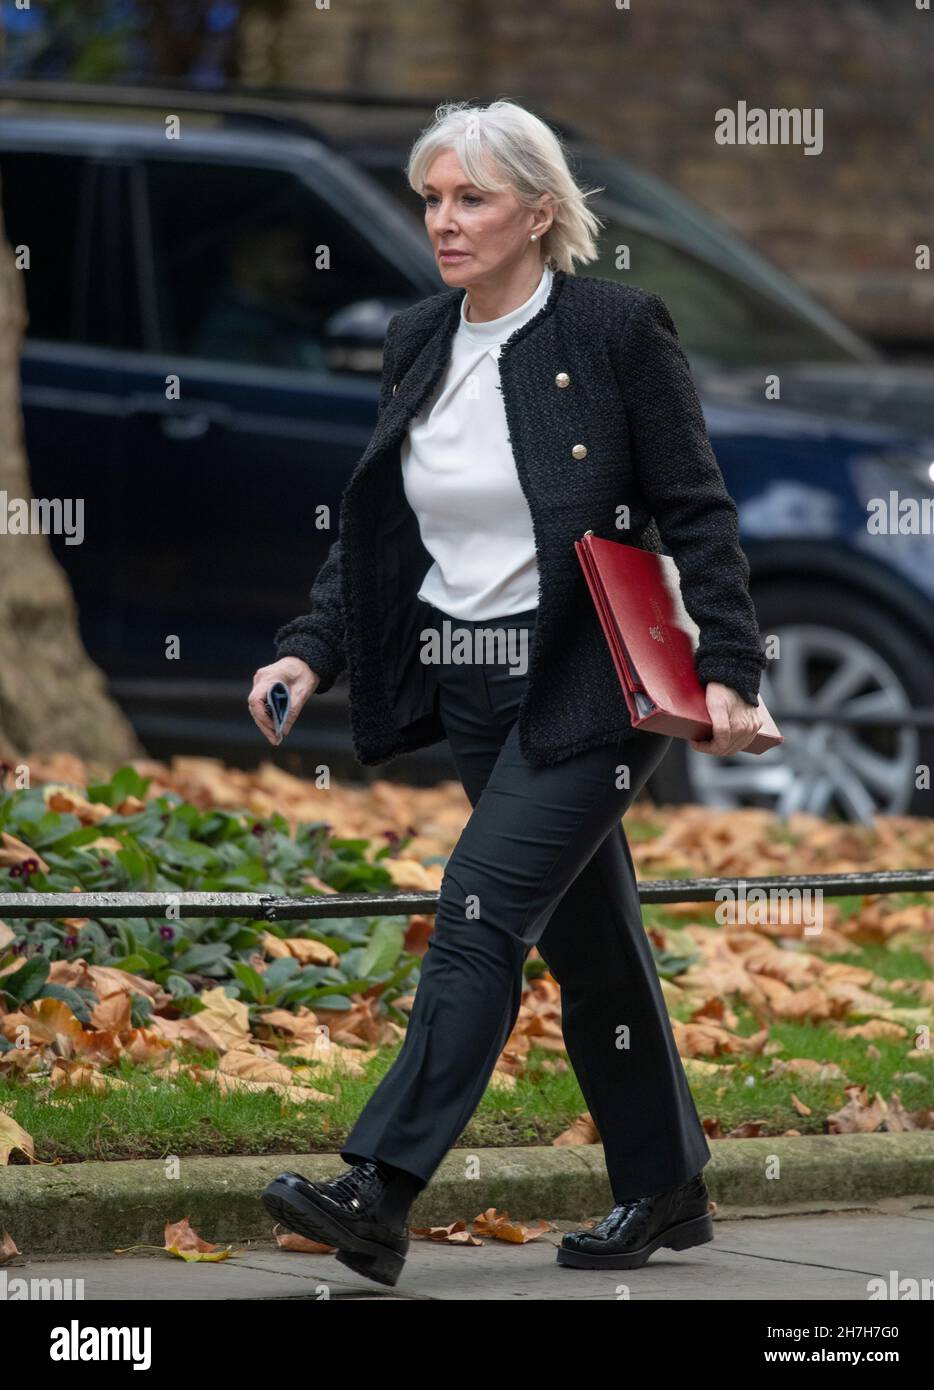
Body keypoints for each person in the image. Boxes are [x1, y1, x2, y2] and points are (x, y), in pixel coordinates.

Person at [248, 98, 766, 1289]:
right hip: (473, 686)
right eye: (432, 198)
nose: (443, 220)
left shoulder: (617, 325)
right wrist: (307, 648)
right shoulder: (420, 335)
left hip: (596, 688)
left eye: (470, 198)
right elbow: (376, 525)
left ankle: (378, 1187)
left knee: (476, 909)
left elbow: (696, 505)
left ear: (540, 210)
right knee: (591, 944)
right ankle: (664, 1181)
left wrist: (732, 668)